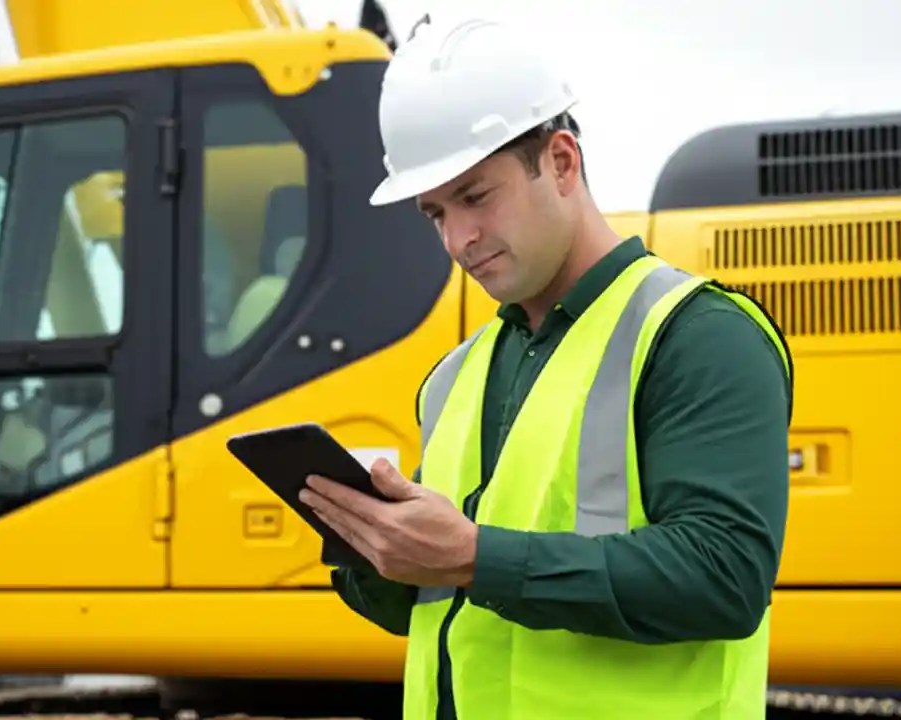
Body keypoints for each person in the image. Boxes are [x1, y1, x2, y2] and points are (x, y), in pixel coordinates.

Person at [296, 13, 794, 720]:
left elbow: (724, 578)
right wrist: (374, 552)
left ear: (561, 162)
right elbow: (440, 611)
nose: (459, 238)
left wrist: (473, 555)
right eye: (434, 213)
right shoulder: (455, 378)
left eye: (476, 196)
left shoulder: (699, 336)